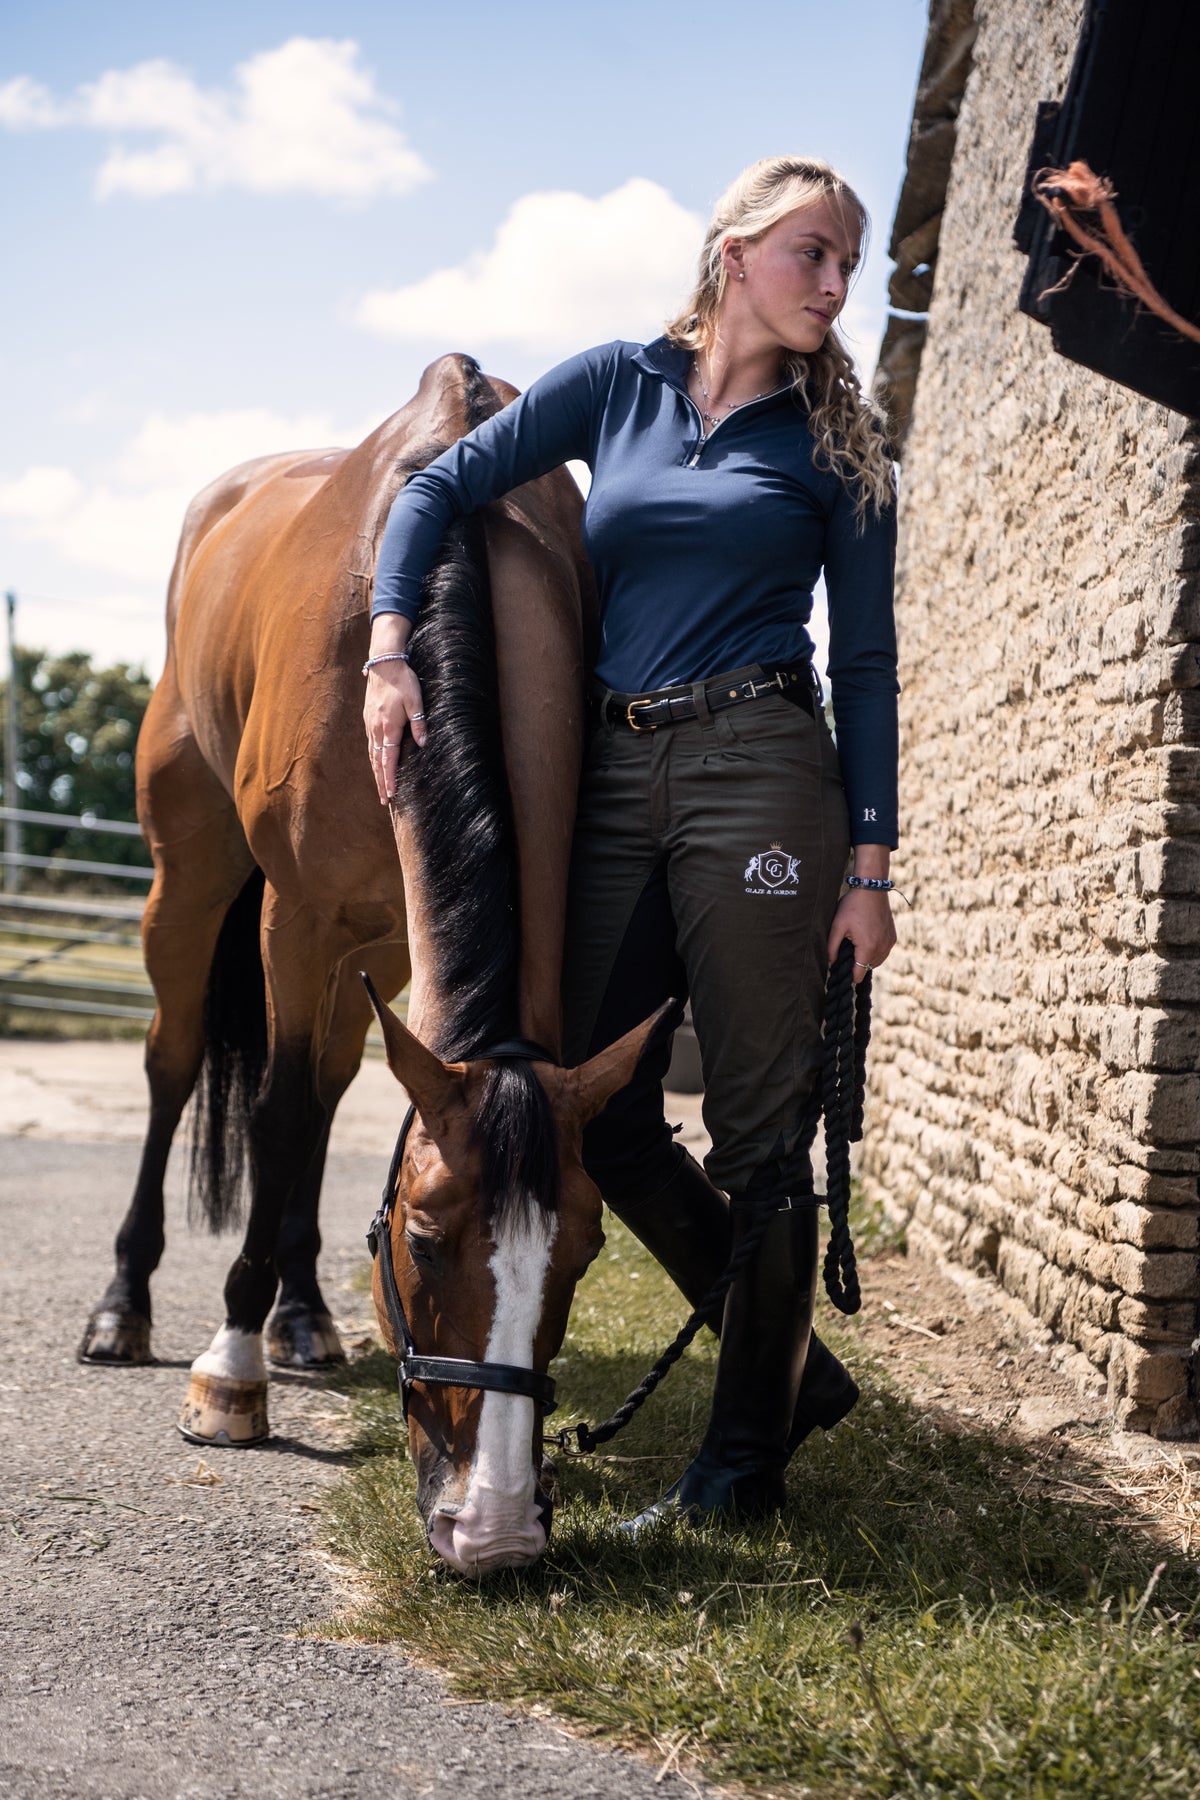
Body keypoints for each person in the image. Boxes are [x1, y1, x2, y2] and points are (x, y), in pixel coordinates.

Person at [363, 155, 900, 1528]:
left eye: (849, 262)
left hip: (762, 774)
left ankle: (741, 1467)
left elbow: (868, 669)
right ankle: (784, 1367)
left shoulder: (840, 450)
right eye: (814, 253)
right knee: (582, 1101)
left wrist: (869, 868)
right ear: (733, 254)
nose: (837, 284)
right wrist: (388, 646)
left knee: (761, 1126)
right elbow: (434, 489)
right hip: (614, 770)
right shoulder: (619, 385)